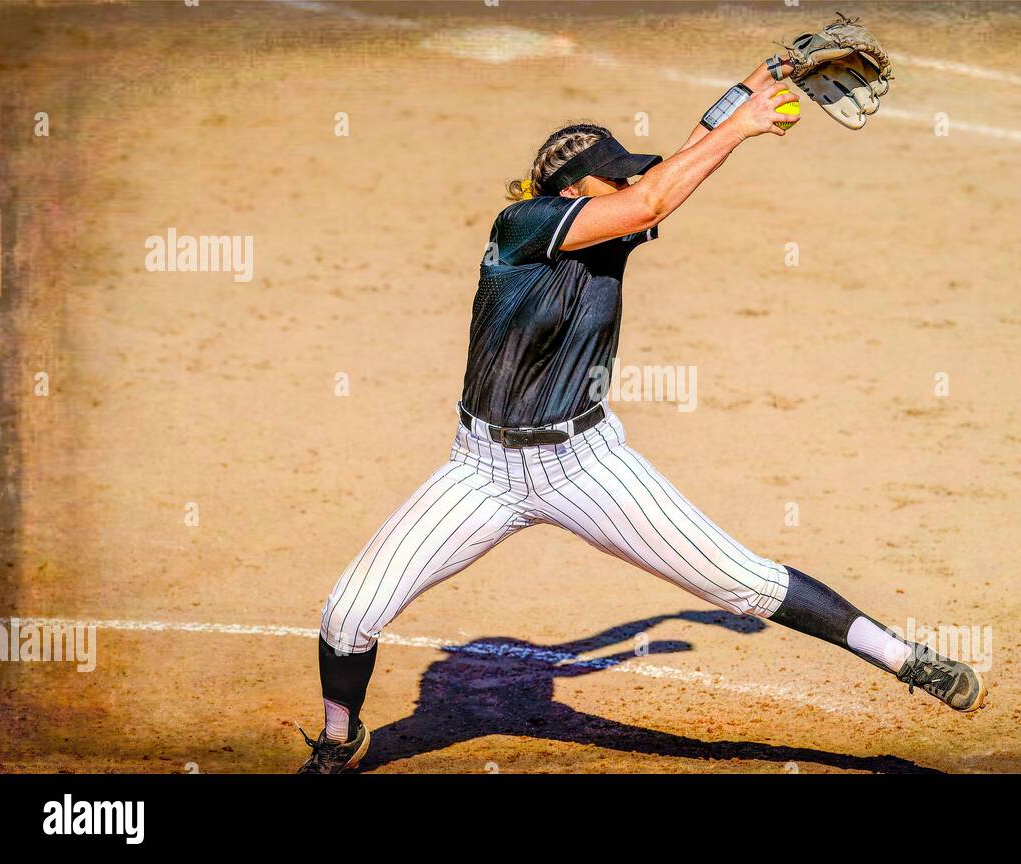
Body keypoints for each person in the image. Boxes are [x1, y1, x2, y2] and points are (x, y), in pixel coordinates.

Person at [299, 56, 985, 774]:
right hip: (482, 473)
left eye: (628, 174)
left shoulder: (605, 225)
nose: (626, 184)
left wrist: (752, 85)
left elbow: (672, 172)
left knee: (740, 582)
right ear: (569, 193)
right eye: (611, 177)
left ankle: (910, 660)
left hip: (587, 465)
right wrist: (746, 129)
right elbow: (651, 200)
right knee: (347, 615)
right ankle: (339, 738)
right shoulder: (524, 226)